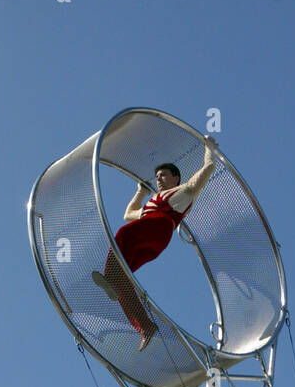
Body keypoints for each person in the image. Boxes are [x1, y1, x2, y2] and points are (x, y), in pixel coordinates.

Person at [92, 137, 219, 350]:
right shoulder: (153, 201)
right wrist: (141, 192)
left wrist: (209, 149)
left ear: (175, 178)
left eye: (164, 175)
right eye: (157, 176)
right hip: (151, 240)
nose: (159, 179)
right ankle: (144, 326)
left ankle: (112, 278)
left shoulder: (182, 192)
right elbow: (128, 214)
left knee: (123, 235)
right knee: (123, 281)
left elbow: (209, 168)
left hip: (159, 227)